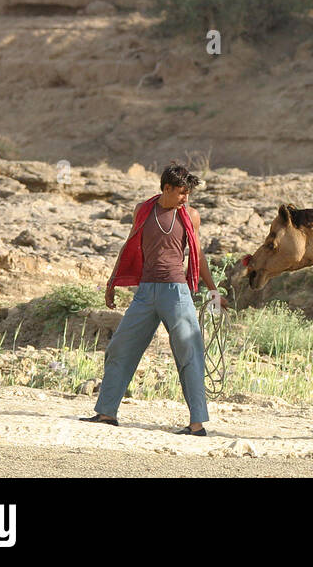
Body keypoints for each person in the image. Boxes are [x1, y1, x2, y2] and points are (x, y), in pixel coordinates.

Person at [80, 163, 226, 435]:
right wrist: (112, 282)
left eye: (188, 194)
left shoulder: (190, 215)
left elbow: (198, 254)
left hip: (177, 293)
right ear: (167, 188)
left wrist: (213, 289)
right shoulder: (143, 210)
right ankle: (106, 413)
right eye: (182, 193)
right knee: (120, 348)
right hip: (145, 293)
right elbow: (129, 245)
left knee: (189, 353)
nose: (185, 199)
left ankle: (196, 425)